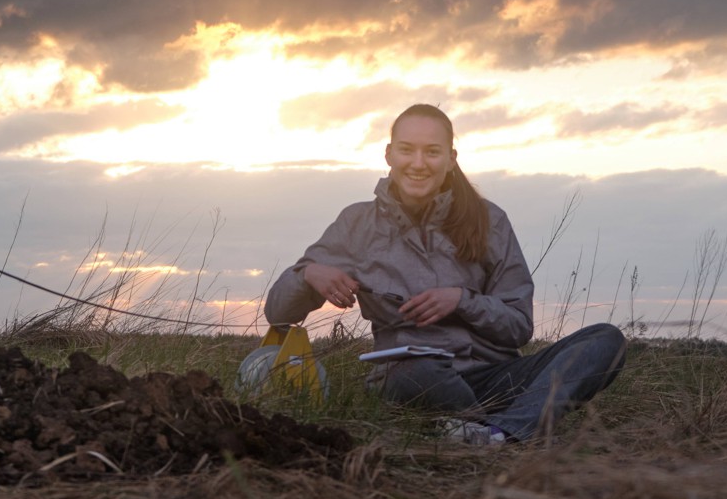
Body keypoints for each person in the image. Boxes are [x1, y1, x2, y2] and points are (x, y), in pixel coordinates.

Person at [264, 103, 626, 445]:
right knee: (416, 373)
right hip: (412, 376)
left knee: (605, 340)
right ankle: (494, 425)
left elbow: (519, 326)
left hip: (494, 376)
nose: (418, 163)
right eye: (407, 150)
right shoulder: (356, 223)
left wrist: (462, 301)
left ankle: (499, 433)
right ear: (388, 154)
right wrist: (309, 274)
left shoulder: (490, 220)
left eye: (432, 152)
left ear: (451, 159)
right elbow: (278, 313)